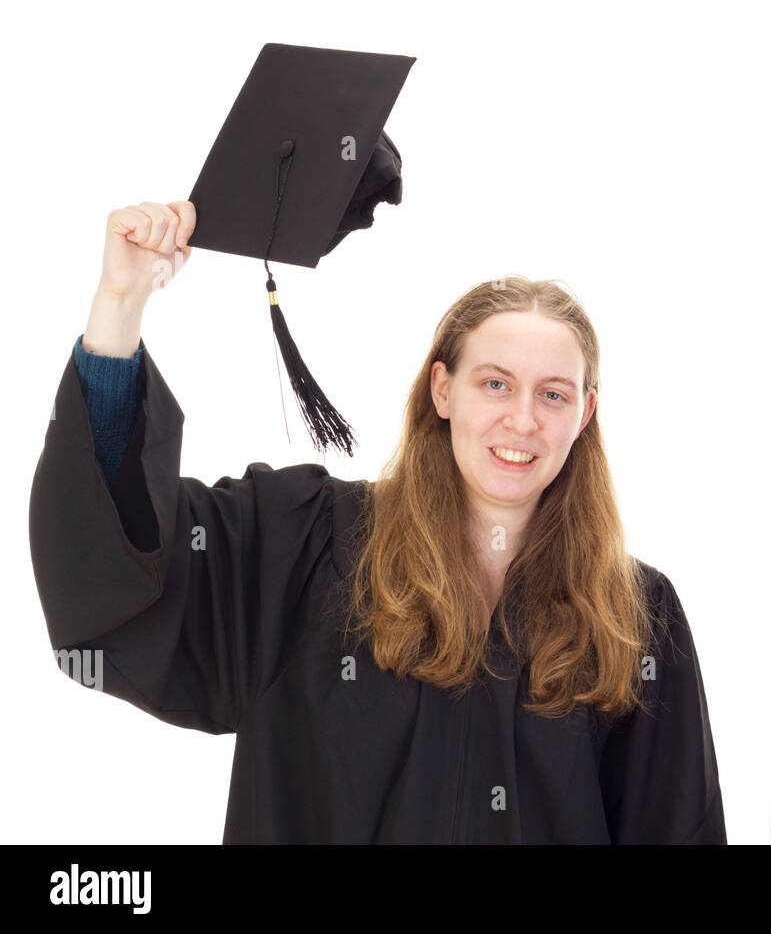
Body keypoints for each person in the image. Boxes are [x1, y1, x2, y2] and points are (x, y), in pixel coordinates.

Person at [30, 200, 726, 843]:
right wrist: (120, 304)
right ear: (442, 387)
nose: (522, 419)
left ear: (586, 414)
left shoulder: (634, 616)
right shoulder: (305, 544)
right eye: (495, 383)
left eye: (553, 394)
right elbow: (122, 562)